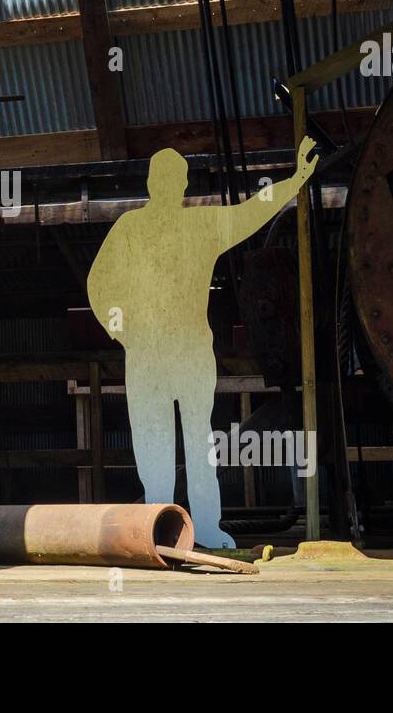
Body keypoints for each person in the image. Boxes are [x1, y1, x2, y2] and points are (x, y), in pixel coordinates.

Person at [87, 137, 318, 548]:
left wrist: (297, 179)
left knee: (194, 440)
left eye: (173, 177)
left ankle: (202, 528)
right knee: (161, 440)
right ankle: (157, 526)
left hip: (183, 352)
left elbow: (251, 212)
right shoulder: (134, 228)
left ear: (180, 185)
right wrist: (121, 329)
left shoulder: (193, 226)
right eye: (165, 177)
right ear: (157, 183)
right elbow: (99, 284)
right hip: (152, 352)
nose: (169, 184)